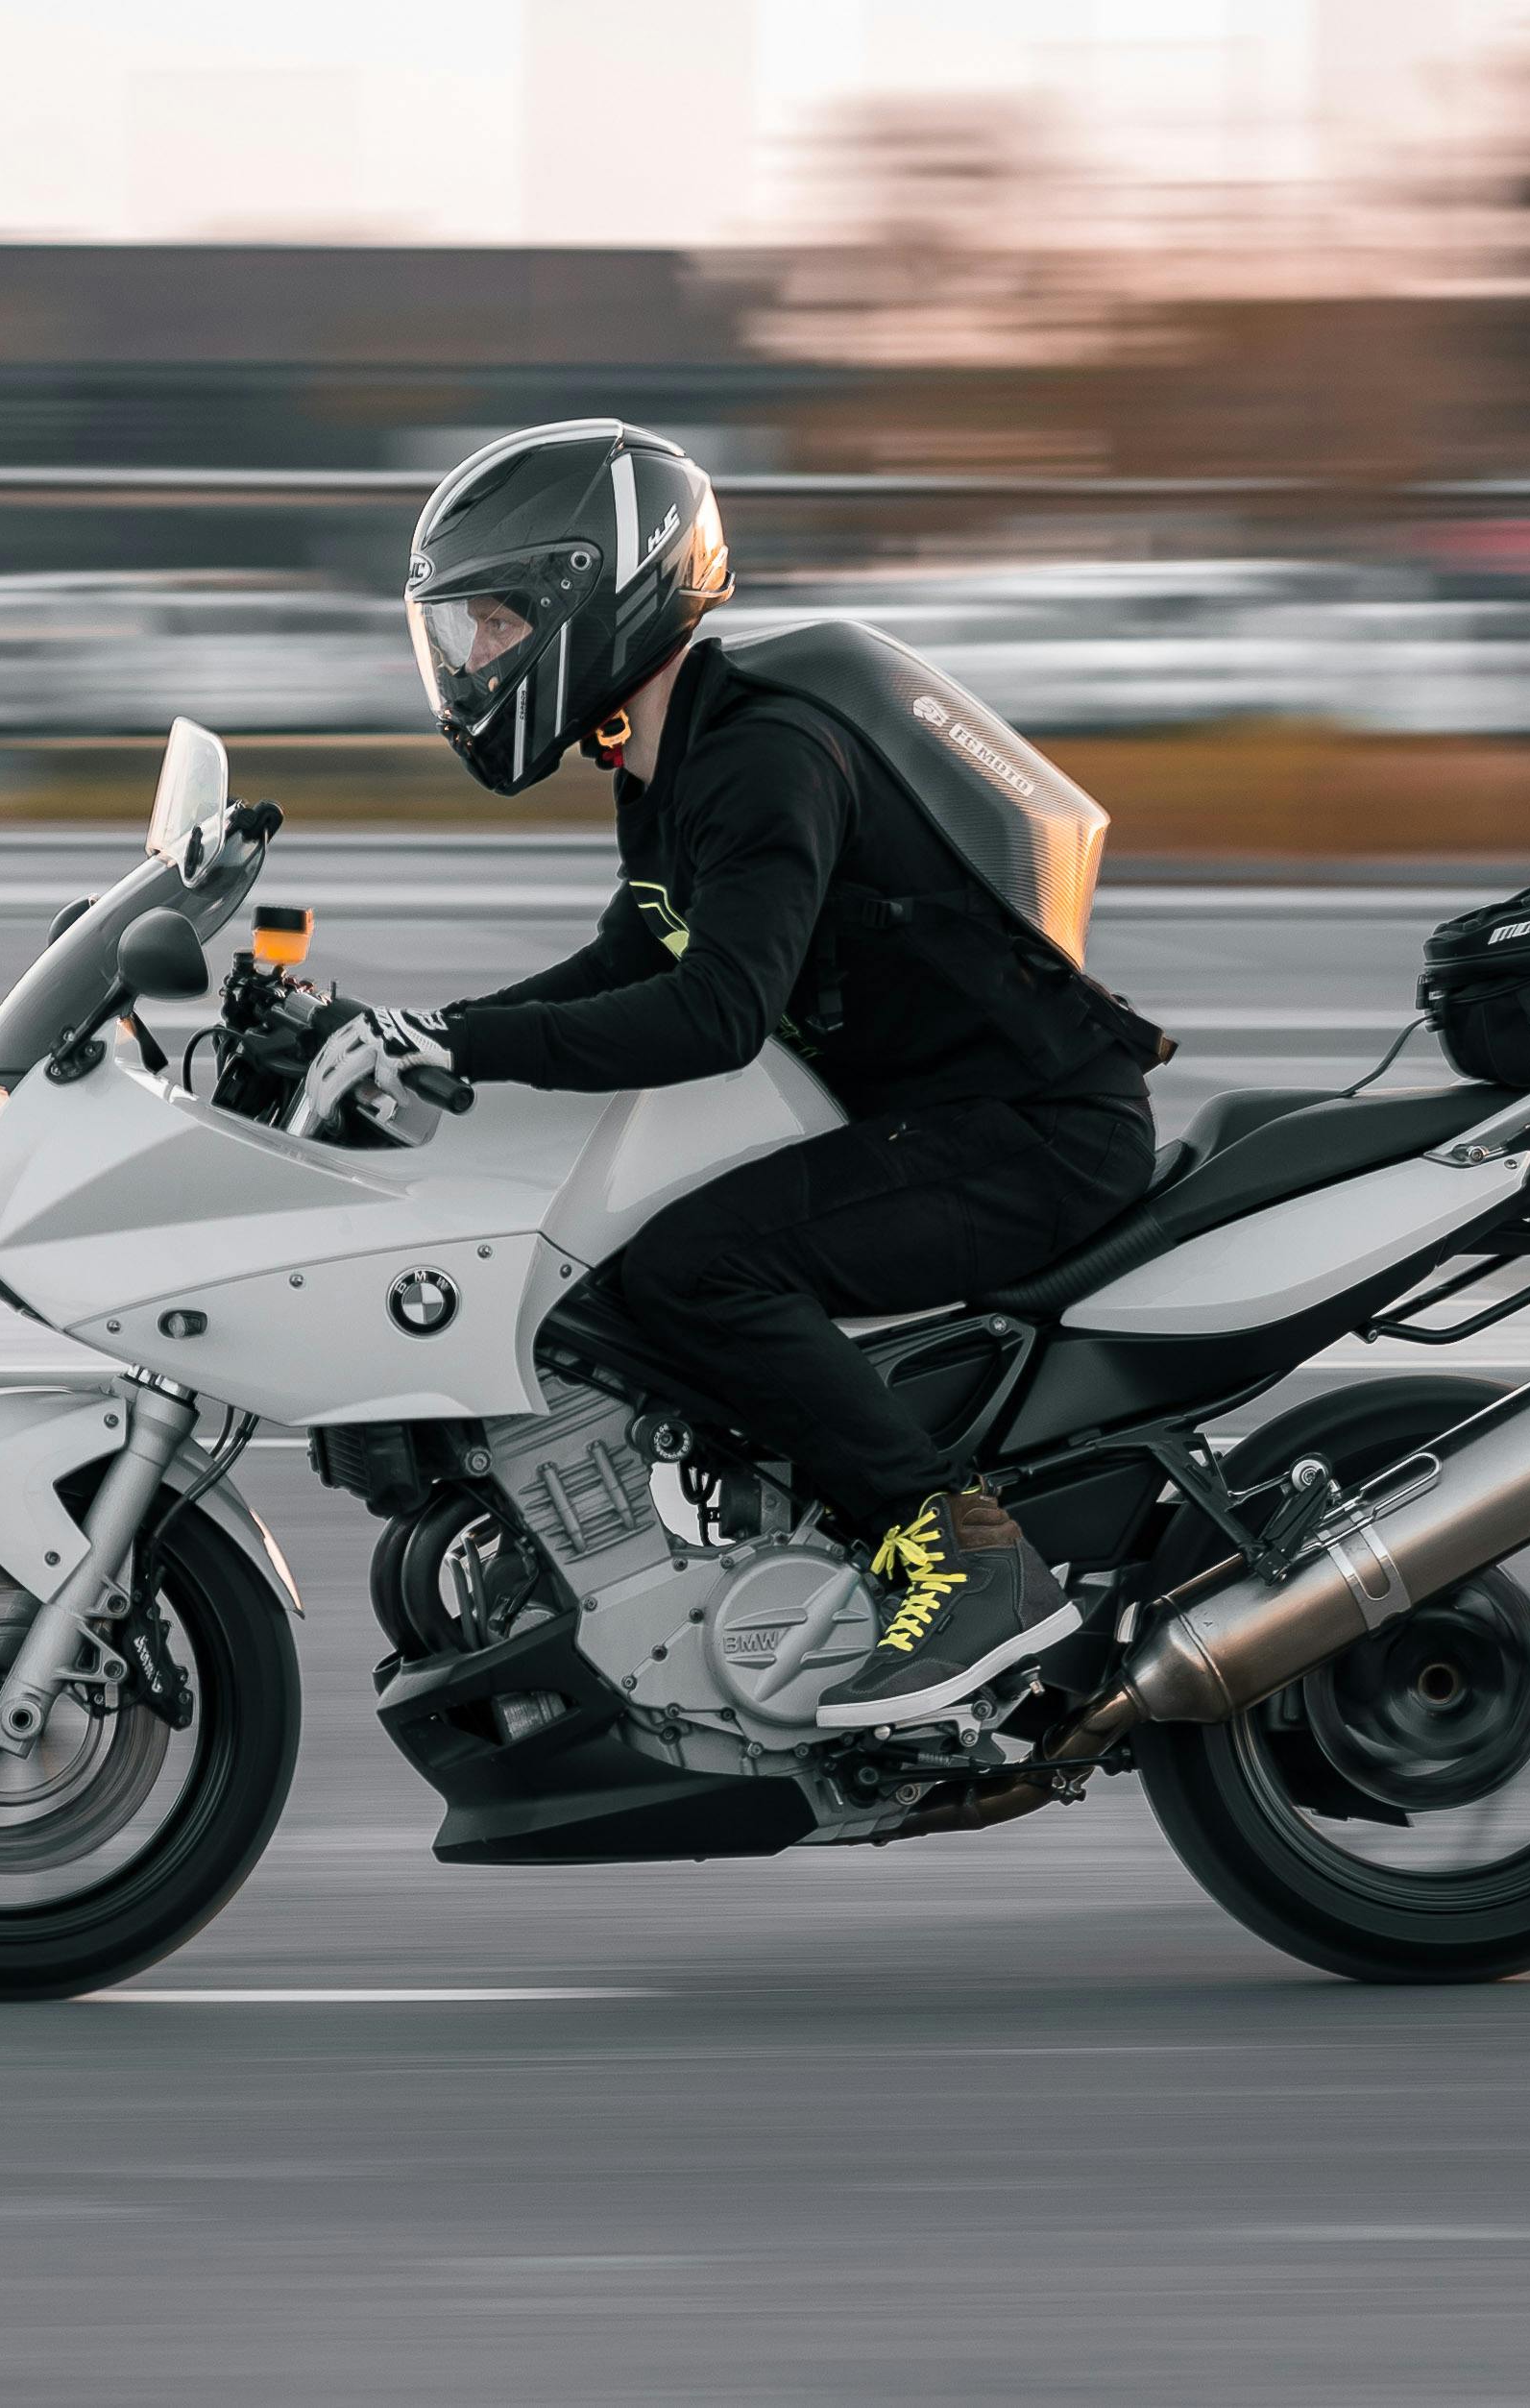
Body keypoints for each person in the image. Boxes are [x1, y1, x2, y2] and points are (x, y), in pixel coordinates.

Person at [299, 421, 1167, 1729]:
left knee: (701, 1269)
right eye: (466, 634)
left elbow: (715, 1010)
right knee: (643, 1272)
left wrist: (465, 1045)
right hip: (945, 1118)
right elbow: (634, 946)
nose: (475, 661)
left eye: (492, 625)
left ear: (590, 600)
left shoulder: (766, 754)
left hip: (1029, 1135)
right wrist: (429, 1030)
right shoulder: (674, 754)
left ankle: (955, 1550)